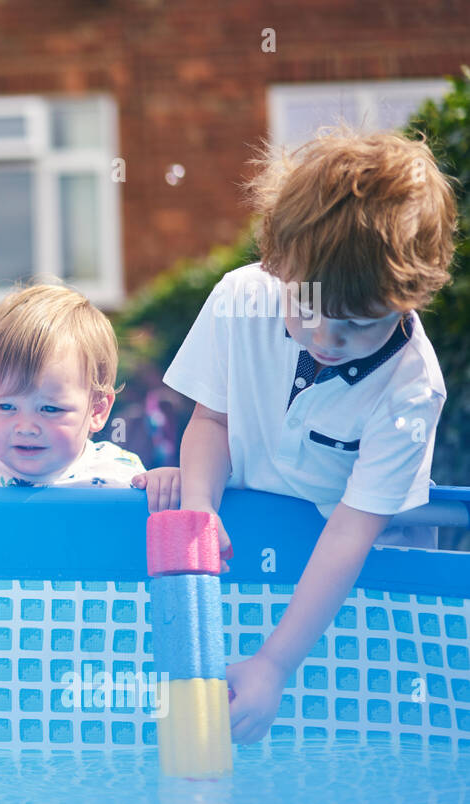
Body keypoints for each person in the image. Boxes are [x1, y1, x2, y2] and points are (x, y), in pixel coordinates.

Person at [163, 128, 459, 743]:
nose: (325, 338)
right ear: (278, 262)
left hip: (353, 585)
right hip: (255, 554)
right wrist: (198, 507)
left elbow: (352, 532)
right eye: (308, 307)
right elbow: (211, 422)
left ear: (408, 299)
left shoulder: (410, 388)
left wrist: (275, 662)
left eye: (356, 325)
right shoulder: (241, 299)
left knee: (362, 726)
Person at [0, 283, 181, 508]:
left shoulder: (118, 474)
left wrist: (164, 486)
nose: (25, 428)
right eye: (6, 406)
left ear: (97, 410)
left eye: (49, 409)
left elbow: (146, 537)